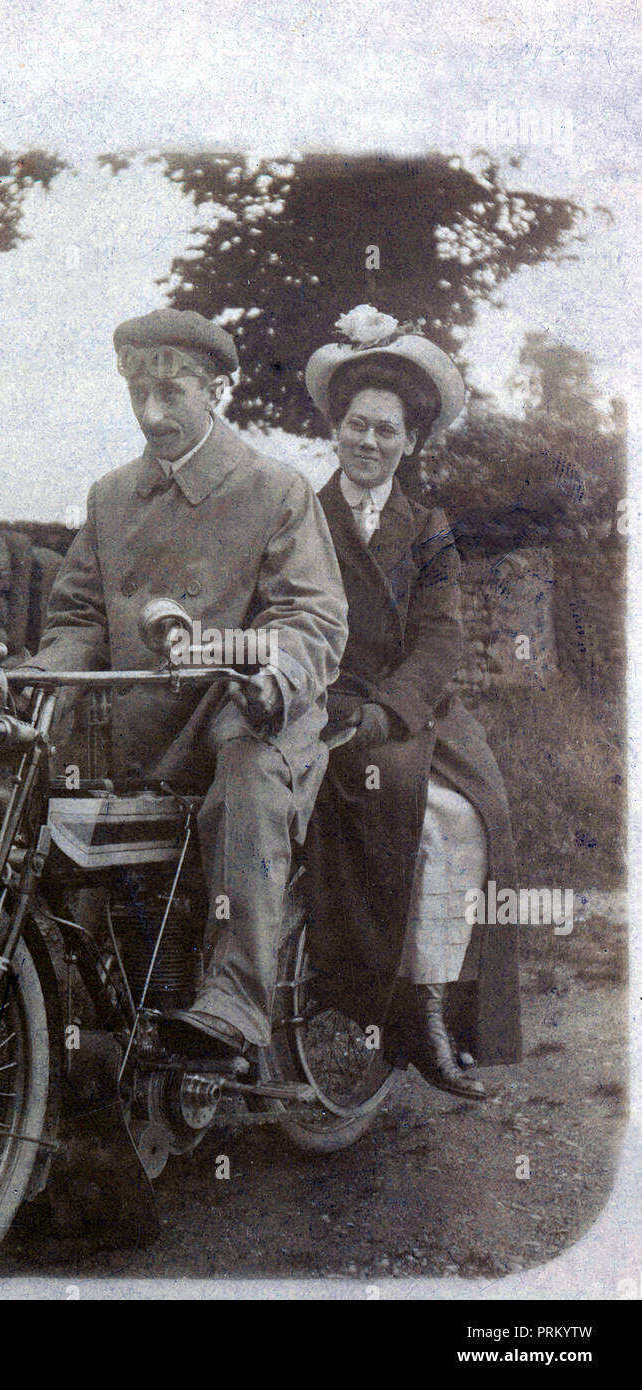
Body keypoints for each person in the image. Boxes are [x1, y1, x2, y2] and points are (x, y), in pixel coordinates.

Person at [30, 308, 348, 1058]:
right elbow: (76, 616)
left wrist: (275, 679)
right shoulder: (110, 499)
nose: (151, 414)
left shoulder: (275, 491)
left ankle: (237, 999)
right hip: (140, 732)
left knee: (248, 757)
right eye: (138, 394)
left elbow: (313, 616)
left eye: (171, 393)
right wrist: (46, 677)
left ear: (217, 391)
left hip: (243, 717)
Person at [303, 316, 521, 1100]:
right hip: (325, 697)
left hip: (409, 706)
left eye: (385, 430)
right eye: (355, 425)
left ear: (409, 442)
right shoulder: (298, 515)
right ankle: (371, 995)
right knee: (407, 811)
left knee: (475, 814)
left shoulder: (428, 530)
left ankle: (429, 1008)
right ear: (335, 429)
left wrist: (391, 710)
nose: (368, 441)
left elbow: (439, 642)